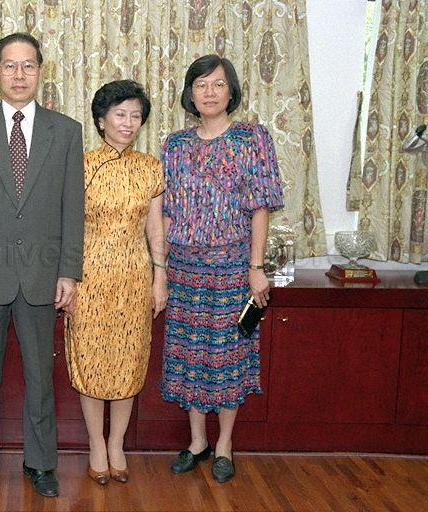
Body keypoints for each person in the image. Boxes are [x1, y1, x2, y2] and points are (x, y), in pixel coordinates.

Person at [0, 32, 84, 499]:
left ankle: (41, 463)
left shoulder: (65, 131)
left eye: (28, 66)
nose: (19, 74)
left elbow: (72, 208)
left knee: (39, 380)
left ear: (41, 71)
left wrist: (69, 271)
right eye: (10, 65)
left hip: (43, 276)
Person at [160, 54, 284, 483]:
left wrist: (256, 266)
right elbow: (166, 212)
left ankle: (225, 444)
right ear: (189, 94)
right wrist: (158, 266)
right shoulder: (174, 145)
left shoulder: (252, 138)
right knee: (191, 355)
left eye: (217, 84)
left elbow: (261, 208)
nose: (209, 93)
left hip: (233, 266)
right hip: (184, 268)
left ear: (231, 90)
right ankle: (198, 442)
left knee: (230, 356)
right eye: (200, 85)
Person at [64, 80, 166, 485]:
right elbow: (66, 228)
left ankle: (117, 443)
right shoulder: (82, 165)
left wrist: (161, 279)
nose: (128, 123)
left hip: (134, 276)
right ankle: (95, 443)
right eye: (120, 114)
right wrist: (67, 279)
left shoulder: (150, 167)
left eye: (136, 115)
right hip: (89, 276)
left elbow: (155, 228)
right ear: (101, 119)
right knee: (91, 360)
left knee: (128, 361)